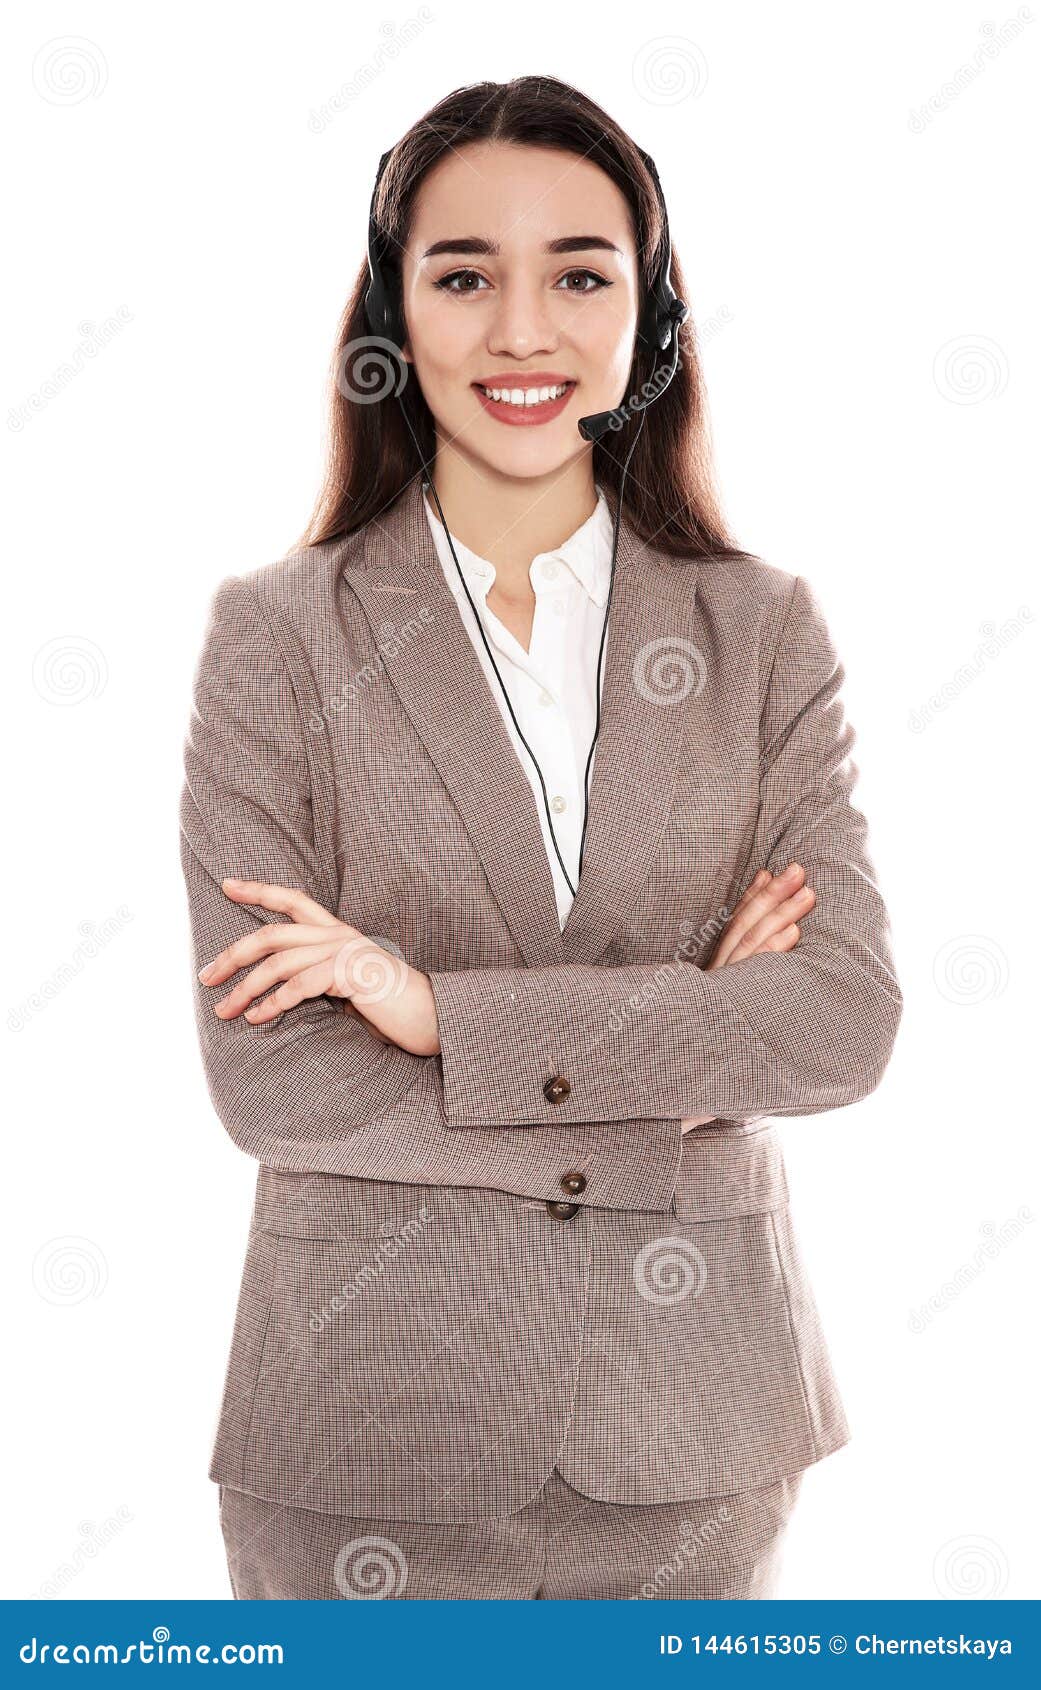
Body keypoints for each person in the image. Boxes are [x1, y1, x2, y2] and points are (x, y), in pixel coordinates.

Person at [179, 76, 902, 1601]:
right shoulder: (276, 636)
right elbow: (276, 1079)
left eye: (579, 276)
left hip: (695, 1442)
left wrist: (434, 1010)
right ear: (395, 310)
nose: (523, 332)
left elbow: (837, 1021)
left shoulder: (763, 631)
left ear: (651, 312)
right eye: (463, 277)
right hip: (373, 1435)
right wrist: (687, 1042)